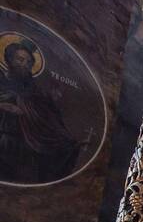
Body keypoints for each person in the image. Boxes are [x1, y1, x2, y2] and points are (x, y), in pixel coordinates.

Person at [0, 37, 82, 184]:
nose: (25, 65)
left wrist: (50, 100)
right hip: (7, 134)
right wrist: (8, 105)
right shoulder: (2, 81)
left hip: (29, 138)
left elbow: (42, 108)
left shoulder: (33, 88)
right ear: (10, 59)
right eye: (20, 59)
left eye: (29, 62)